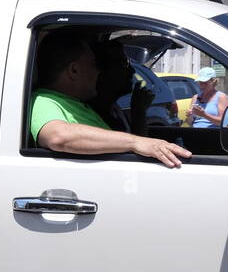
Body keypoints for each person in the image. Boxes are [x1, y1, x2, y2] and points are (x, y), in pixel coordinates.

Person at [30, 29, 191, 169]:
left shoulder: (80, 104)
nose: (98, 73)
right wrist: (136, 143)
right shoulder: (44, 101)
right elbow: (58, 136)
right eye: (94, 65)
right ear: (74, 70)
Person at [93, 39, 154, 134]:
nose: (132, 70)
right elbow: (136, 145)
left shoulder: (113, 108)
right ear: (101, 70)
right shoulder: (95, 115)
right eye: (124, 63)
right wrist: (139, 110)